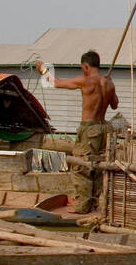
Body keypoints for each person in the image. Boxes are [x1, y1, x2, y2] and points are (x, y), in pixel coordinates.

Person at [37, 50, 118, 214]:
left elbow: (56, 83)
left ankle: (82, 206)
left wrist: (44, 70)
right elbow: (115, 104)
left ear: (86, 66)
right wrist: (110, 87)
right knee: (98, 166)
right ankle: (95, 204)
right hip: (105, 128)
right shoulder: (108, 82)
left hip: (89, 128)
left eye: (82, 68)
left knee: (81, 166)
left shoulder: (86, 80)